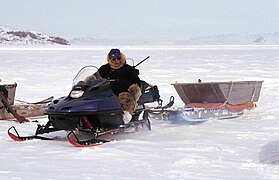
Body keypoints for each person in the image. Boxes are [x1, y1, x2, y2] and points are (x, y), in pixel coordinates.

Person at [99, 49, 142, 124]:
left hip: (124, 94)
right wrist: (86, 83)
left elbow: (136, 81)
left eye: (118, 58)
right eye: (113, 59)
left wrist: (134, 88)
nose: (116, 61)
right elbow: (95, 77)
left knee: (124, 99)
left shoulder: (127, 69)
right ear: (109, 59)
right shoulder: (104, 69)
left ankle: (124, 117)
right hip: (107, 93)